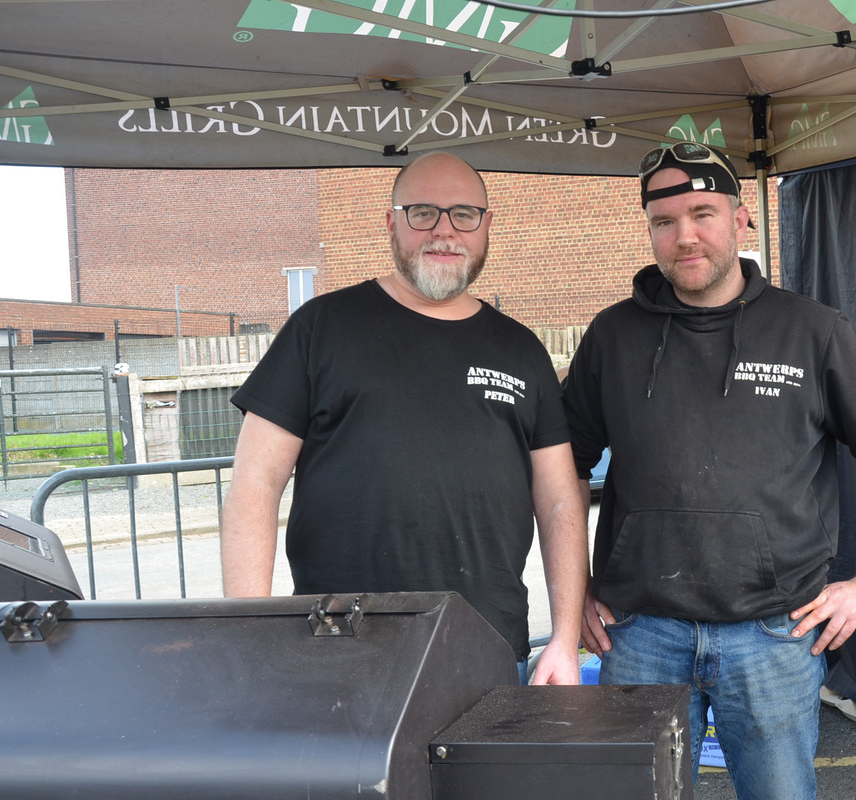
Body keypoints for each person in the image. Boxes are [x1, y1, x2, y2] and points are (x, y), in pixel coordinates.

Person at [561, 140, 856, 800]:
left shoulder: (811, 330)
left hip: (773, 638)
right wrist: (574, 601)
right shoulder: (612, 336)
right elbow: (558, 467)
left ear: (739, 220)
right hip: (641, 639)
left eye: (702, 214)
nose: (684, 236)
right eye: (664, 221)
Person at [221, 151, 584, 686]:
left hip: (484, 651)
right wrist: (252, 633)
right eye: (422, 213)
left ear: (487, 226)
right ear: (391, 222)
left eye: (464, 214)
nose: (444, 231)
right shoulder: (321, 327)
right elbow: (255, 483)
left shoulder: (521, 349)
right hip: (340, 649)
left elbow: (558, 502)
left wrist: (564, 639)